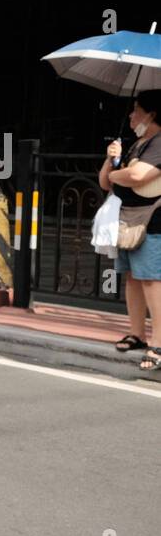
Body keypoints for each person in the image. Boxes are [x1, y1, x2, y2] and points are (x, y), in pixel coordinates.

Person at [102, 89, 161, 371]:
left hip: (153, 219)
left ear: (151, 114)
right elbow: (106, 182)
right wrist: (111, 160)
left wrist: (117, 174)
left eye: (136, 109)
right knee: (133, 278)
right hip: (128, 219)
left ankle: (158, 343)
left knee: (152, 280)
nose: (131, 114)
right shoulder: (137, 144)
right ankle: (137, 333)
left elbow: (138, 176)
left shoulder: (159, 142)